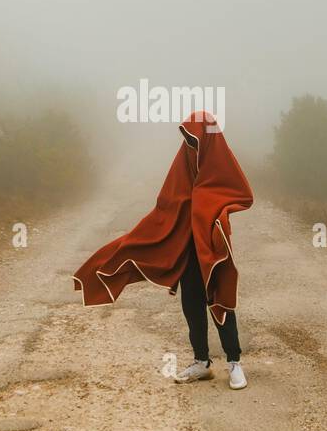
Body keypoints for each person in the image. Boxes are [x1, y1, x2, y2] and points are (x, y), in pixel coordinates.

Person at [72, 110, 253, 390]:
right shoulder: (182, 162)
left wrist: (219, 213)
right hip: (184, 245)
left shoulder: (220, 162)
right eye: (188, 139)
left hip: (212, 246)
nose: (191, 144)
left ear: (208, 138)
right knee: (192, 303)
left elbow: (241, 195)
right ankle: (202, 362)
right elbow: (167, 202)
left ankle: (234, 363)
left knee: (221, 298)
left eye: (195, 138)